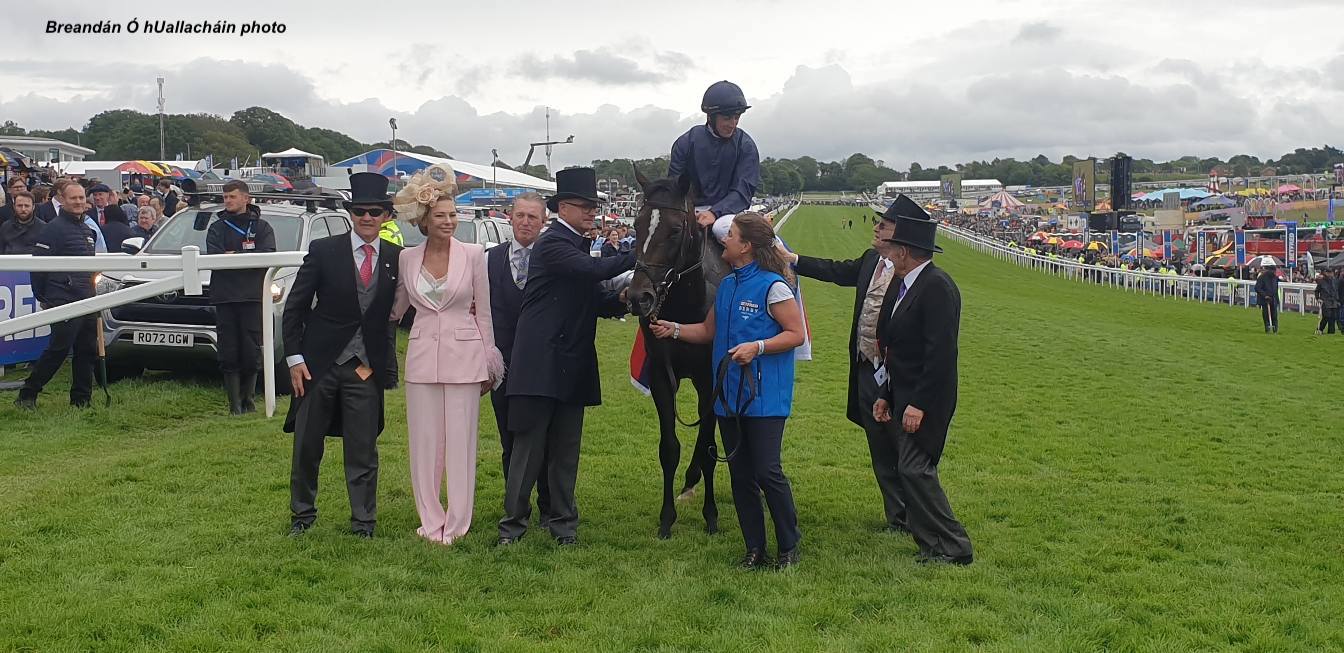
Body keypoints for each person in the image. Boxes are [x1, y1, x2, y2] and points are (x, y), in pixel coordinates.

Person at [649, 212, 807, 570]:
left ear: (746, 246)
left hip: (764, 397)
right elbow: (707, 333)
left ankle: (788, 545)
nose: (724, 240)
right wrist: (671, 330)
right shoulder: (728, 287)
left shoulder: (774, 286)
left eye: (731, 235)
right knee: (740, 476)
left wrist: (758, 347)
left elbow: (795, 334)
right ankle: (754, 548)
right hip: (729, 397)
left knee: (767, 472)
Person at [498, 167, 634, 547]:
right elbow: (593, 271)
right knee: (528, 448)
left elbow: (589, 298)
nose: (592, 211)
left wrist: (621, 300)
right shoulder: (554, 243)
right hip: (540, 362)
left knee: (566, 451)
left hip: (570, 361)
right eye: (584, 205)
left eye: (594, 205)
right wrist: (638, 252)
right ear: (563, 208)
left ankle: (563, 526)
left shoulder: (574, 246)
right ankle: (513, 526)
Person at [779, 196, 911, 535]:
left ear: (902, 234)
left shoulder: (914, 274)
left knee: (905, 448)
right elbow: (837, 271)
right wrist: (793, 260)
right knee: (880, 447)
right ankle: (897, 517)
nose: (876, 227)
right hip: (867, 368)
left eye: (884, 224)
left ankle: (920, 515)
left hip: (900, 374)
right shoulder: (871, 260)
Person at [282, 172, 403, 538]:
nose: (367, 218)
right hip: (318, 365)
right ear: (351, 214)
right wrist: (294, 359)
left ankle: (363, 522)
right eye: (360, 211)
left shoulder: (398, 259)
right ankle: (302, 516)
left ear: (385, 216)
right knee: (306, 445)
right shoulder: (324, 250)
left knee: (363, 449)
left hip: (365, 367)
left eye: (374, 212)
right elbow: (295, 308)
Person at [389, 165, 503, 545]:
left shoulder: (473, 255)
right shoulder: (407, 258)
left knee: (460, 443)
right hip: (421, 358)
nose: (449, 221)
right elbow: (396, 308)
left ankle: (456, 523)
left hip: (466, 357)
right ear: (424, 220)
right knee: (424, 443)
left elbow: (484, 312)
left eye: (453, 215)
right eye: (441, 216)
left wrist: (489, 359)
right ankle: (429, 519)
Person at [871, 202, 974, 566]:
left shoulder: (936, 288)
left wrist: (919, 404)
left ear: (904, 251)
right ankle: (932, 544)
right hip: (904, 393)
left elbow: (941, 355)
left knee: (915, 469)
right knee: (910, 469)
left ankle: (955, 545)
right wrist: (885, 394)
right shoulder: (905, 284)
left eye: (893, 247)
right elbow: (895, 349)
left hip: (927, 397)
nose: (887, 250)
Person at [486, 191, 552, 526]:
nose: (526, 222)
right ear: (510, 217)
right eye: (520, 216)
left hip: (542, 365)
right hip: (504, 365)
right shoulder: (489, 258)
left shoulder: (552, 257)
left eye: (533, 217)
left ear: (543, 222)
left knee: (543, 440)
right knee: (509, 437)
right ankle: (516, 504)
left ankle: (548, 504)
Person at [15, 183, 99, 410]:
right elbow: (39, 266)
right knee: (59, 349)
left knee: (87, 350)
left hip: (88, 298)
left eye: (82, 198)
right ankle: (28, 393)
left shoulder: (86, 229)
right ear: (62, 199)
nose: (79, 202)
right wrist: (42, 295)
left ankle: (81, 400)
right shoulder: (53, 228)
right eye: (74, 198)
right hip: (62, 297)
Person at [206, 180, 277, 415]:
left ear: (246, 198)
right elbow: (215, 256)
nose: (227, 201)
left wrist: (234, 256)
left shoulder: (262, 227)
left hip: (252, 296)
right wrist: (241, 259)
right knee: (228, 350)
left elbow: (267, 255)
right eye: (225, 197)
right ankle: (233, 404)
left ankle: (249, 399)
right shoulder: (217, 227)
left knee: (251, 349)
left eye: (232, 197)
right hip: (225, 297)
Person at [667, 80, 760, 243]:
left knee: (722, 228)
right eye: (727, 118)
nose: (733, 124)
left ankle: (780, 259)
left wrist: (715, 213)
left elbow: (743, 191)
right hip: (690, 210)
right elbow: (675, 186)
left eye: (736, 117)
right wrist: (687, 211)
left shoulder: (746, 145)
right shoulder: (685, 143)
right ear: (711, 116)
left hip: (731, 212)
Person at [0, 191, 44, 255]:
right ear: (14, 207)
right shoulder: (5, 227)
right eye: (19, 205)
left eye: (27, 206)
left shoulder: (43, 228)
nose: (23, 209)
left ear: (33, 207)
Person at [1254, 264, 1280, 334]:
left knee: (1274, 314)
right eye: (1274, 271)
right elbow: (1257, 288)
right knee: (1266, 315)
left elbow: (1276, 289)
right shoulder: (1262, 277)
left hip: (1273, 299)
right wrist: (1265, 295)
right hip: (1265, 300)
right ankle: (1267, 327)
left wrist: (1277, 300)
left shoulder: (1275, 278)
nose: (1275, 273)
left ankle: (1275, 329)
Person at [1314, 269, 1339, 335]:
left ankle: (1331, 332)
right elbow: (1316, 291)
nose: (1331, 274)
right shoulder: (1321, 281)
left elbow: (1336, 291)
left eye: (1331, 273)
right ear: (1326, 273)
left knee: (1333, 317)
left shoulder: (1334, 281)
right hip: (1325, 301)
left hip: (1333, 301)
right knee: (1326, 316)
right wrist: (1318, 298)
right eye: (1329, 273)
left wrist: (1337, 299)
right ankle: (1320, 329)